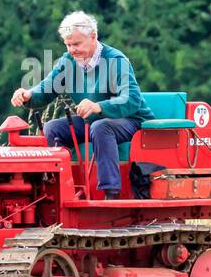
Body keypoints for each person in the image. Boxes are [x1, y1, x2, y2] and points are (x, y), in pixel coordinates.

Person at [11, 11, 153, 196]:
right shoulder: (68, 61)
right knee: (53, 128)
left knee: (102, 127)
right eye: (68, 45)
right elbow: (47, 89)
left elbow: (132, 99)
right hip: (95, 121)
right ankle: (60, 189)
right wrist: (28, 95)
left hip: (131, 119)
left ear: (93, 36)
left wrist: (99, 106)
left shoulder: (115, 60)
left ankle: (111, 194)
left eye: (76, 44)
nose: (72, 50)